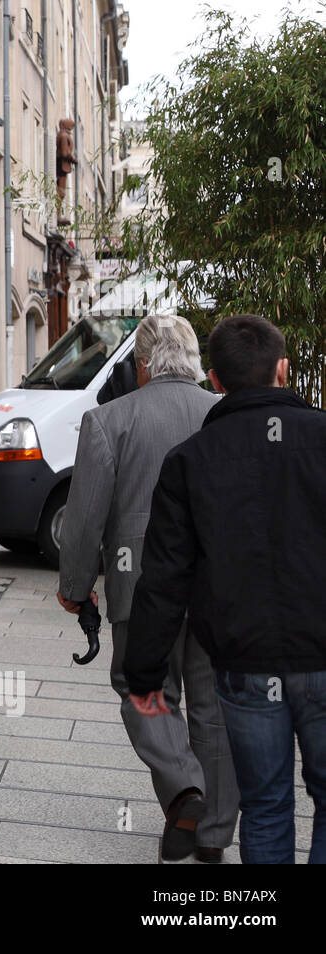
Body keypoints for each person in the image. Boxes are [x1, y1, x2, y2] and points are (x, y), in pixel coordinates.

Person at [127, 314, 326, 865]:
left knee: (264, 806)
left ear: (214, 379)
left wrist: (145, 674)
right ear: (284, 370)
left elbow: (164, 577)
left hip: (245, 663)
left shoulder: (190, 461)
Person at [57, 315, 237, 863]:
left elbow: (86, 517)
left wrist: (76, 584)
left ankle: (185, 789)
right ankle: (210, 836)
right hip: (218, 585)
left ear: (142, 365)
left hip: (141, 582)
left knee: (145, 689)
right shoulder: (225, 415)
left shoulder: (108, 420)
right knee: (213, 707)